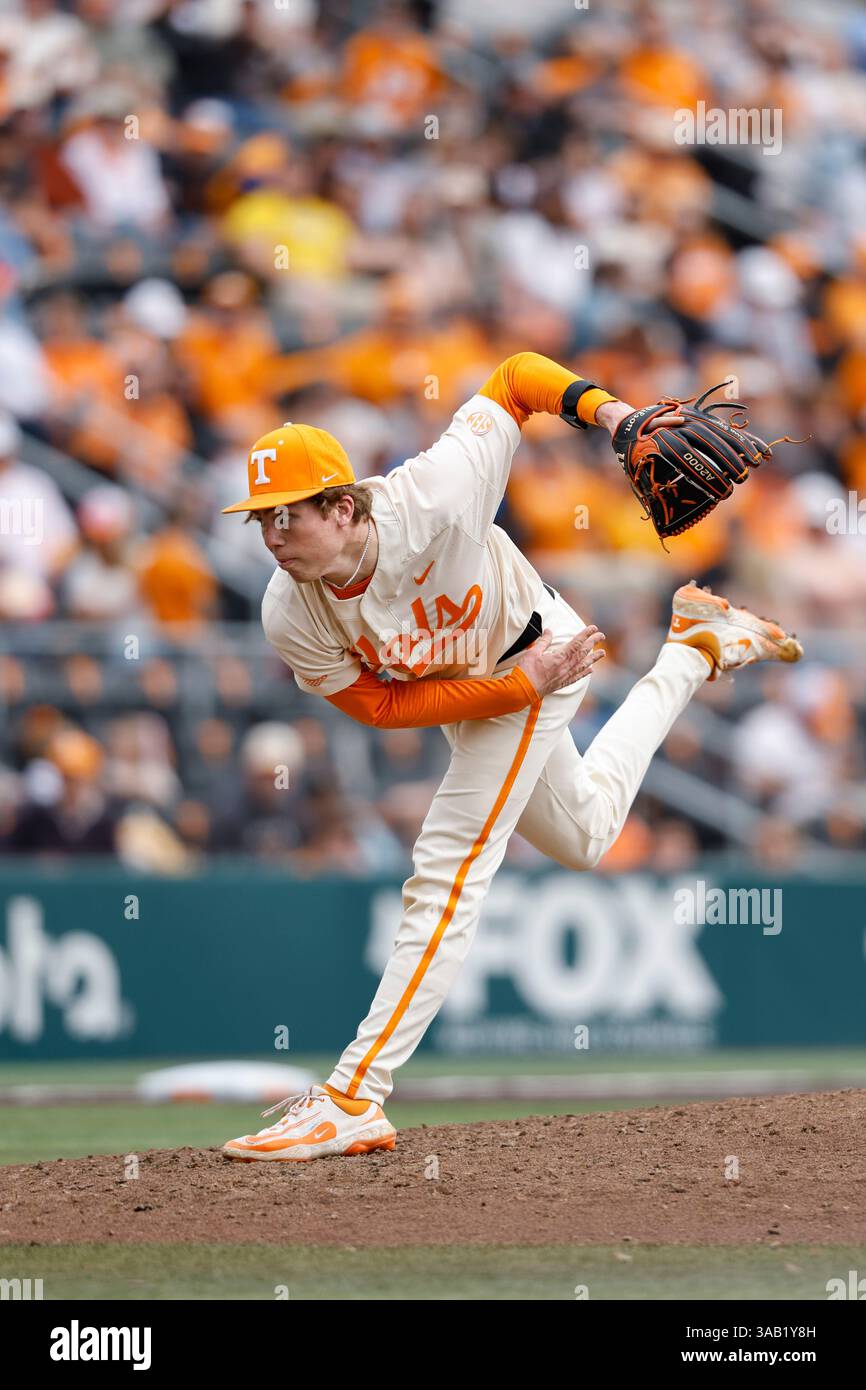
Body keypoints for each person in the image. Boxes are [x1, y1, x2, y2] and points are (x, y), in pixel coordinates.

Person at [219, 351, 802, 1162]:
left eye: (291, 514)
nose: (275, 534)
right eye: (262, 519)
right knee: (587, 834)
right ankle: (697, 648)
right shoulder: (289, 614)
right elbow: (384, 707)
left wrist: (613, 415)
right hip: (495, 686)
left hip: (543, 649)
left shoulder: (437, 492)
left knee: (447, 867)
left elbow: (516, 376)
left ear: (345, 506)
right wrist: (511, 692)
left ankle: (356, 1095)